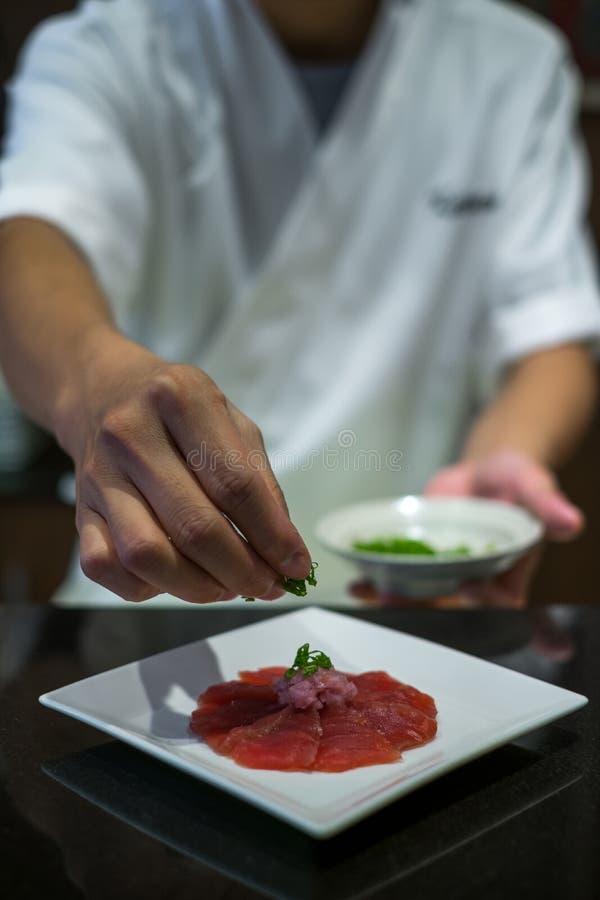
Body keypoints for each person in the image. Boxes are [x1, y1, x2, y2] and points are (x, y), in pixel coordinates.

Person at [0, 0, 598, 607]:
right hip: (157, 588)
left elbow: (549, 331)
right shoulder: (107, 45)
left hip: (411, 590)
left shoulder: (513, 59)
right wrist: (101, 383)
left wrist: (507, 458)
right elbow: (33, 243)